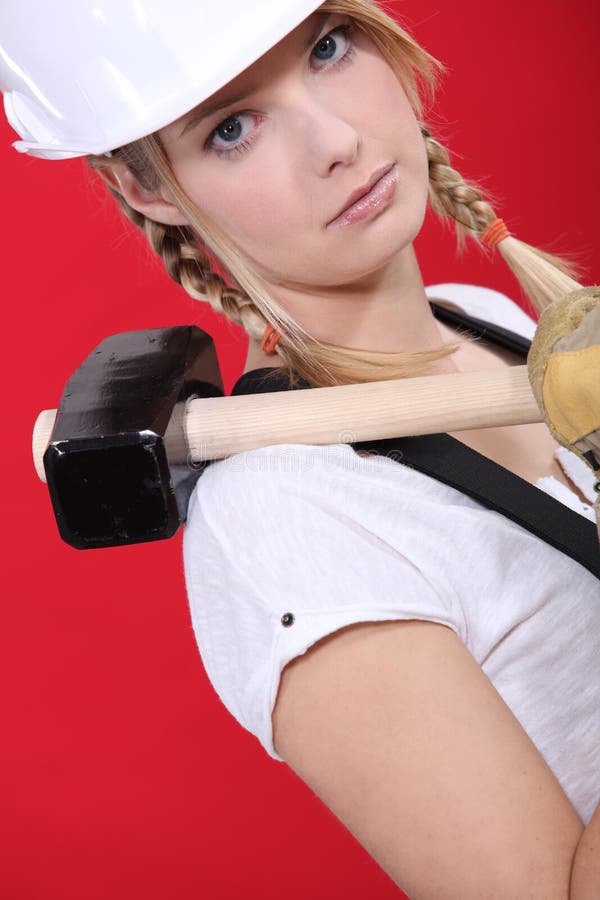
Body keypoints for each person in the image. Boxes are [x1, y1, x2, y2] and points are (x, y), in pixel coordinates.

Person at [2, 1, 599, 896]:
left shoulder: (488, 325)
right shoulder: (282, 517)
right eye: (232, 128)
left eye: (328, 48)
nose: (335, 139)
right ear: (149, 189)